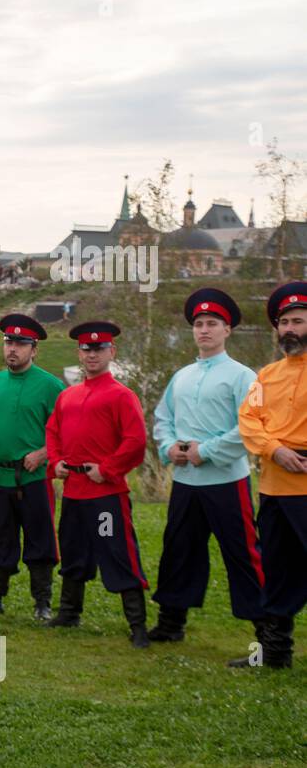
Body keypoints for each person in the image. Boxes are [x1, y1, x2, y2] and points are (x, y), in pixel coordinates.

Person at [150, 289, 262, 644]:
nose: (204, 330)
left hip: (226, 481)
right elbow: (163, 418)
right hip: (186, 481)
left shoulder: (243, 376)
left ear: (227, 330)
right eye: (199, 324)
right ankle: (171, 623)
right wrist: (169, 447)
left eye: (212, 323)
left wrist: (207, 450)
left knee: (242, 554)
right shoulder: (182, 376)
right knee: (178, 550)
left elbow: (249, 427)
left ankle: (268, 632)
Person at [45, 322, 150, 647]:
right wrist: (56, 462)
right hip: (74, 493)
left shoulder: (122, 395)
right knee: (73, 550)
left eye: (99, 349)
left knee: (117, 552)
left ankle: (137, 625)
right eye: (86, 349)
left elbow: (135, 441)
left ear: (111, 352)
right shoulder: (67, 396)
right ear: (79, 353)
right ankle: (68, 613)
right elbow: (53, 432)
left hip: (105, 496)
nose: (92, 354)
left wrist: (107, 469)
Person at [0, 314, 65, 619]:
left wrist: (43, 454)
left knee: (40, 538)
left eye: (21, 344)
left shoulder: (51, 385)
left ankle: (42, 602)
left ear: (34, 349)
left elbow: (66, 429)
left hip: (34, 477)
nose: (13, 349)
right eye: (9, 342)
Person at [233, 281, 307, 669]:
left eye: (298, 321)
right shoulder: (266, 376)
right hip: (275, 487)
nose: (289, 329)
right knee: (277, 569)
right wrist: (274, 448)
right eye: (284, 323)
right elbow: (248, 419)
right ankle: (275, 652)